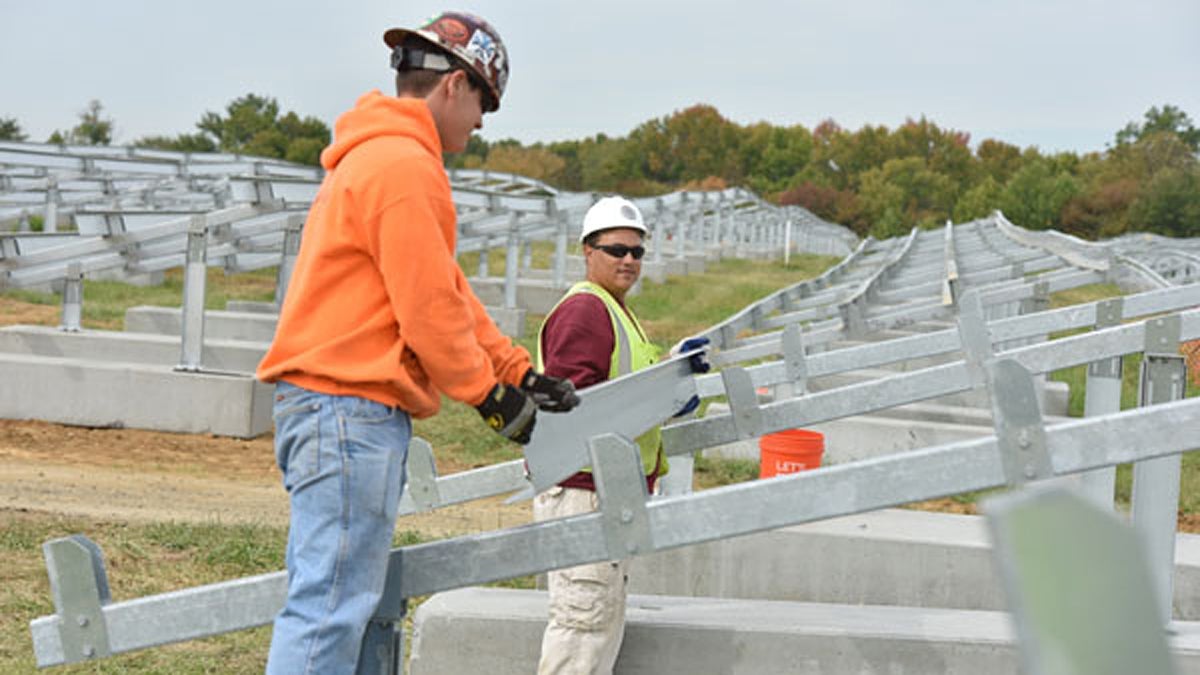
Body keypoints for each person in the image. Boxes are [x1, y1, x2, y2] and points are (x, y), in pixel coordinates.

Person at [255, 12, 578, 674]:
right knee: (328, 609)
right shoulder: (404, 166)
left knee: (339, 599)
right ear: (455, 86)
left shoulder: (381, 155)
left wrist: (516, 368)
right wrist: (488, 396)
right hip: (346, 407)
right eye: (485, 102)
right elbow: (427, 310)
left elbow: (444, 285)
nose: (483, 123)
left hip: (335, 408)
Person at [533, 196, 708, 674]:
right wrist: (659, 397)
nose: (628, 260)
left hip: (605, 489)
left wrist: (671, 373)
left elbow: (619, 385)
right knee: (580, 634)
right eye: (616, 250)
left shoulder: (612, 308)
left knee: (595, 628)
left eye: (636, 251)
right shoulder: (585, 311)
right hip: (583, 492)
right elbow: (573, 410)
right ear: (588, 252)